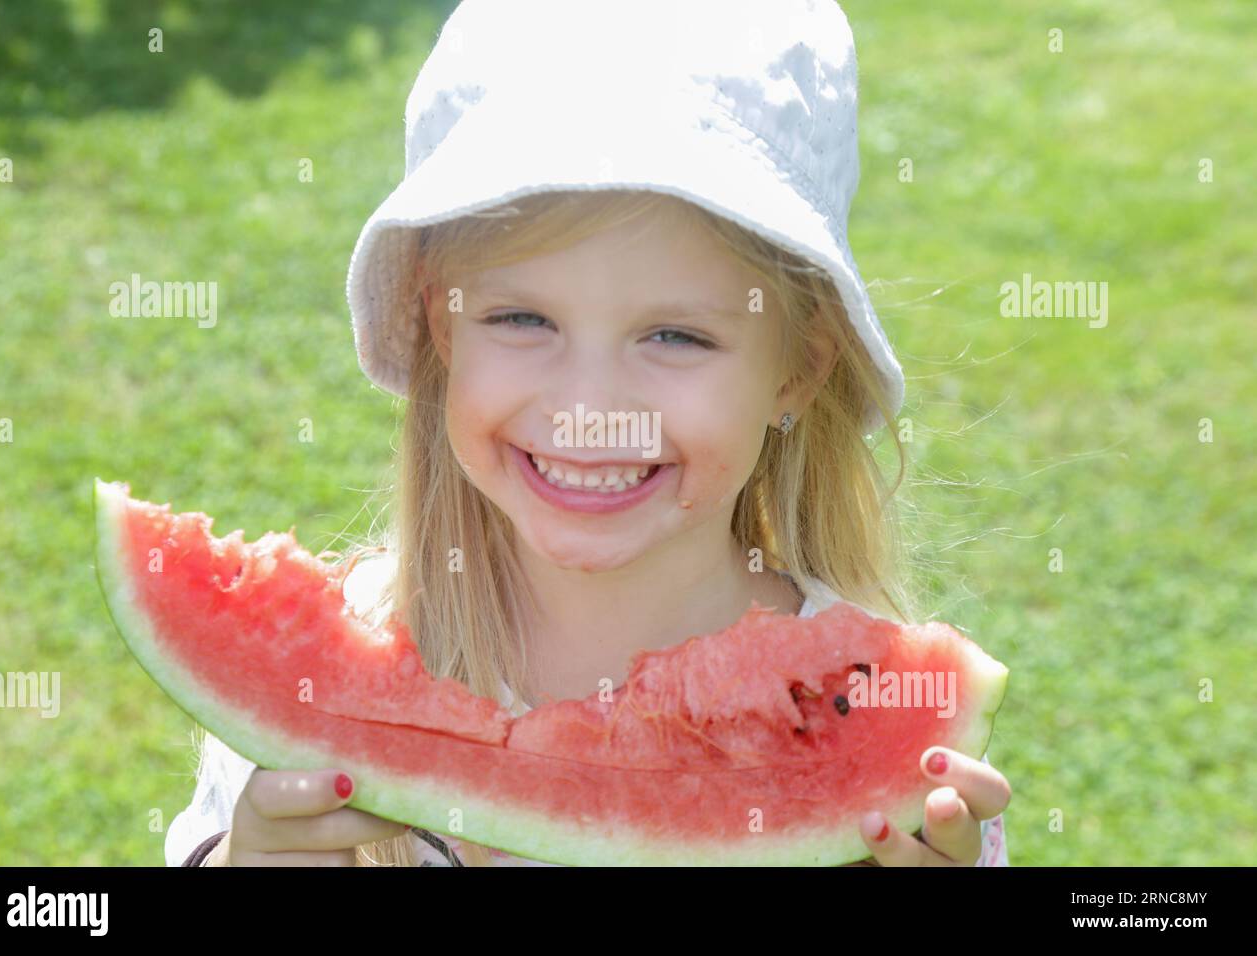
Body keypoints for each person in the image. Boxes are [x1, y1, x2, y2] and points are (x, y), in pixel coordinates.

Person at [168, 0, 1012, 867]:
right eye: (522, 318)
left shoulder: (876, 720)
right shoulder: (322, 683)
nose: (590, 405)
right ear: (442, 329)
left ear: (795, 370)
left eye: (676, 336)